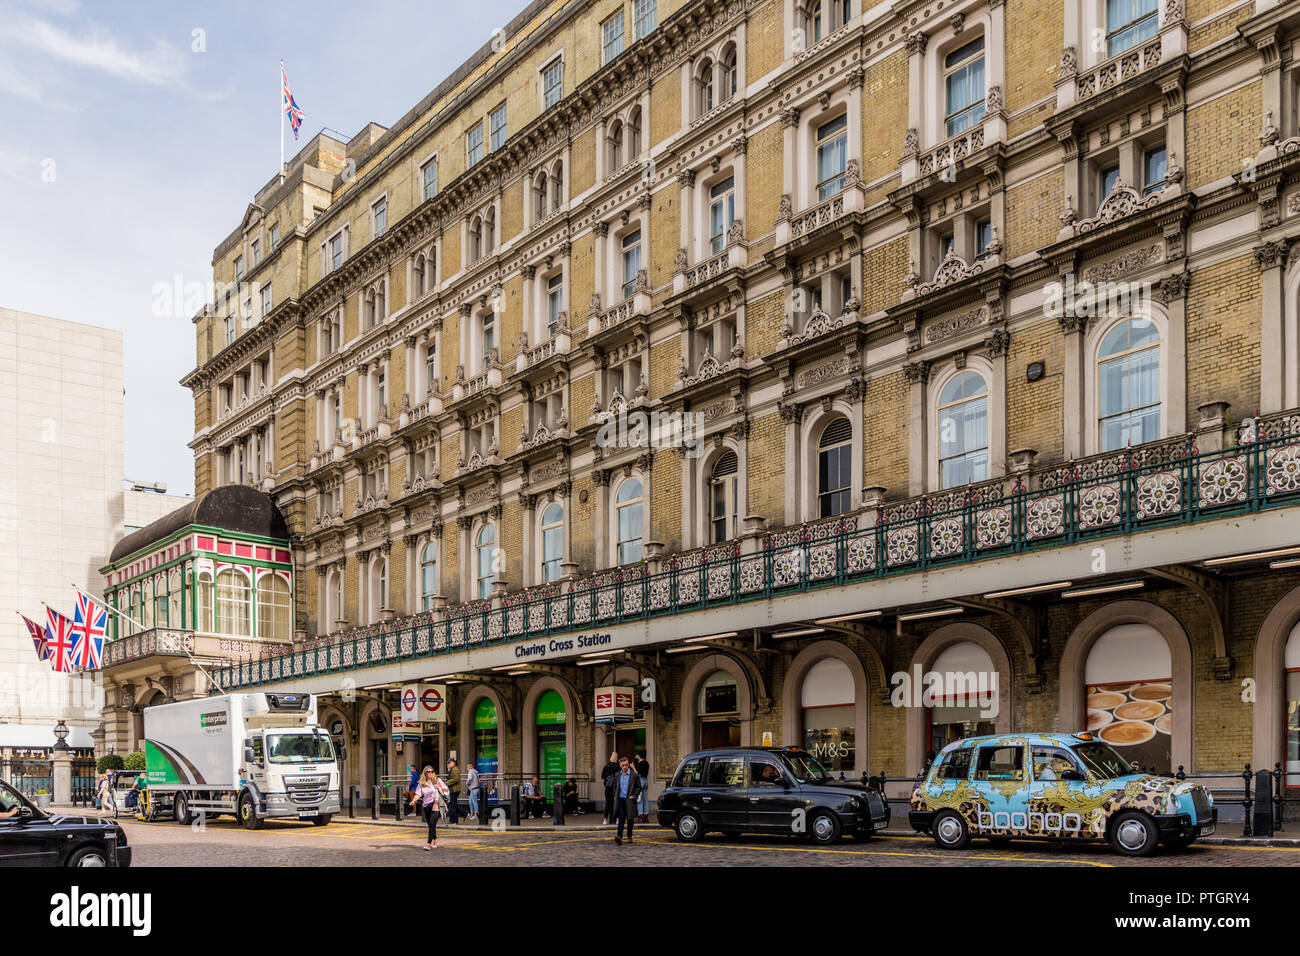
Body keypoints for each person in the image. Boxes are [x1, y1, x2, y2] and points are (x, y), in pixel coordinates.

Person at [611, 755, 642, 845]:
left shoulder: (634, 775)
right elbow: (615, 787)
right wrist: (615, 795)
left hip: (630, 800)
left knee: (630, 819)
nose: (625, 767)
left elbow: (638, 787)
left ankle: (629, 836)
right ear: (620, 765)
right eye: (623, 765)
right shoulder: (617, 775)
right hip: (620, 799)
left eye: (626, 765)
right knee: (621, 818)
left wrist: (634, 795)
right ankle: (619, 836)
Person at [409, 766, 441, 850]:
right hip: (426, 806)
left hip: (436, 805)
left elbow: (445, 790)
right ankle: (435, 839)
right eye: (428, 772)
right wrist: (414, 801)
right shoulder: (421, 784)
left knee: (431, 823)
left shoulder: (437, 781)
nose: (430, 773)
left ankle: (428, 844)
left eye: (432, 771)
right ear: (425, 773)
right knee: (431, 825)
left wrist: (439, 787)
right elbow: (418, 794)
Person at [601, 751, 620, 825]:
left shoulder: (606, 766)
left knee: (608, 803)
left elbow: (602, 776)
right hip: (616, 787)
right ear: (616, 758)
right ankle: (617, 820)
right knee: (616, 803)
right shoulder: (618, 767)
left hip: (608, 787)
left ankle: (605, 820)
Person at [634, 752, 650, 823]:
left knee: (639, 799)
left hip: (640, 781)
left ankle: (640, 816)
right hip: (645, 781)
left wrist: (633, 767)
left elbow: (638, 774)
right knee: (645, 799)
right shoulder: (647, 763)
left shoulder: (640, 764)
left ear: (640, 756)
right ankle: (646, 816)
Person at [445, 758, 462, 824]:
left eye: (448, 763)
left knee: (451, 806)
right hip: (453, 789)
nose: (447, 764)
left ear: (453, 763)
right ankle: (464, 814)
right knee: (453, 805)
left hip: (454, 790)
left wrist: (446, 783)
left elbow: (456, 779)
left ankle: (454, 820)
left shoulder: (455, 769)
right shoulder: (452, 769)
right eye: (447, 763)